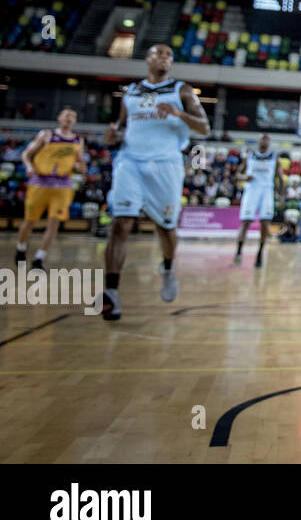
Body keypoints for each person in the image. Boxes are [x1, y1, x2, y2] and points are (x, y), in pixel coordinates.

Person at [101, 45, 211, 320]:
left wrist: (179, 115)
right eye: (159, 54)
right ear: (148, 59)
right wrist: (112, 137)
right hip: (130, 162)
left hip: (165, 165)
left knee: (166, 227)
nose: (164, 58)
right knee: (120, 224)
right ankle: (111, 293)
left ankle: (168, 266)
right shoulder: (131, 92)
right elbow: (121, 127)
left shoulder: (182, 90)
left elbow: (205, 128)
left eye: (169, 56)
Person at [15, 107, 85, 269]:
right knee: (30, 221)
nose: (69, 118)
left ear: (74, 121)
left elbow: (80, 162)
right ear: (59, 117)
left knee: (54, 224)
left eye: (72, 116)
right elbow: (26, 154)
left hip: (63, 185)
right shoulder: (46, 134)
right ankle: (20, 247)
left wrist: (80, 166)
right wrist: (28, 167)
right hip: (40, 182)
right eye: (66, 115)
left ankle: (39, 258)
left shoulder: (77, 140)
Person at [233, 134, 280, 267]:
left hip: (266, 191)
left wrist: (281, 196)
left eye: (267, 139)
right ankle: (239, 250)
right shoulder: (250, 155)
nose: (264, 141)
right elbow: (237, 174)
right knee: (246, 221)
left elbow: (280, 177)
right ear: (258, 140)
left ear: (269, 142)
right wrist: (243, 177)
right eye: (262, 138)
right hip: (251, 190)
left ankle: (260, 253)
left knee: (265, 222)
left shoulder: (274, 157)